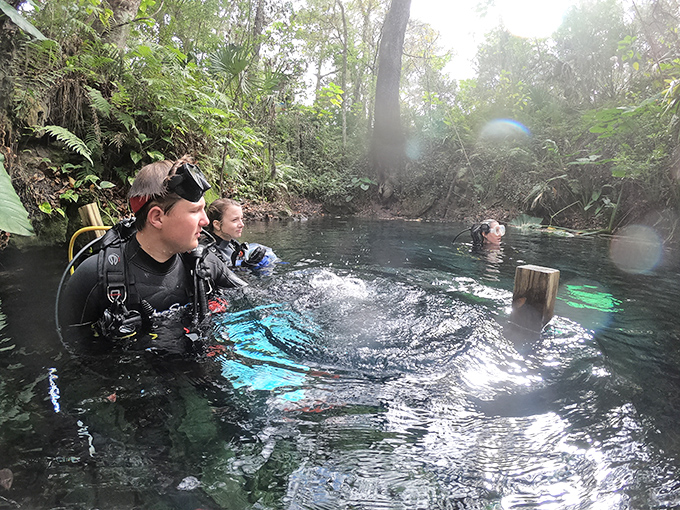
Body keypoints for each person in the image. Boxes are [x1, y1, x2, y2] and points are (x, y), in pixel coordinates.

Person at [57, 156, 247, 352]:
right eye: (195, 211)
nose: (206, 220)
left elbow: (253, 300)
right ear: (157, 217)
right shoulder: (95, 277)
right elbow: (70, 352)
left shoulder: (204, 263)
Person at [205, 198, 277, 270]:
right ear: (217, 225)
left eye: (241, 219)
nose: (242, 224)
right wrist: (246, 266)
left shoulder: (233, 244)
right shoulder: (207, 253)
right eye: (234, 220)